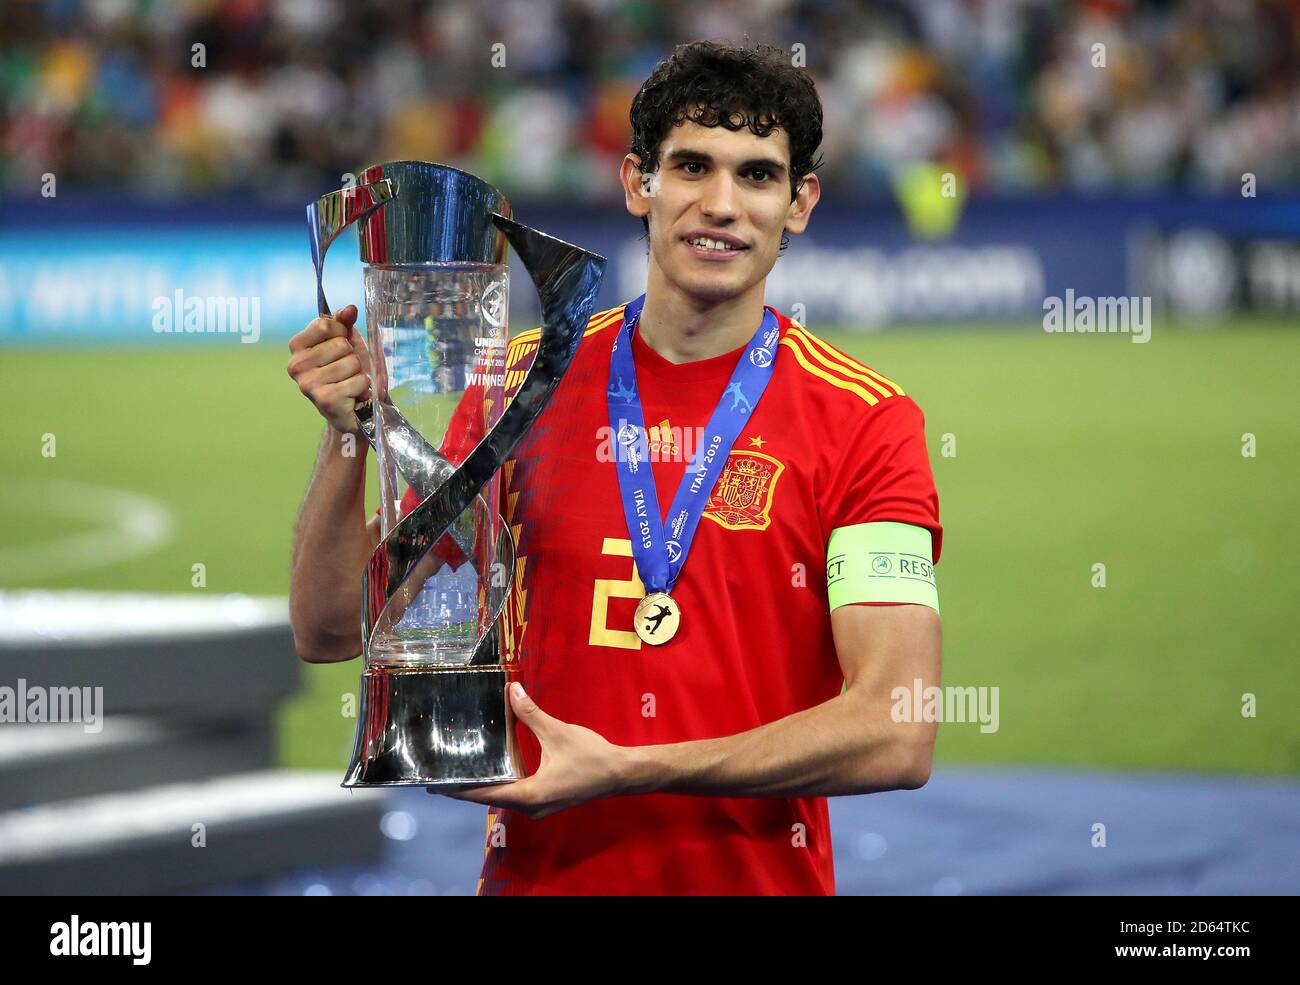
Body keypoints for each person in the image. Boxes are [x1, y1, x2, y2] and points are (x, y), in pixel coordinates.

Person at [287, 40, 943, 896]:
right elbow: (333, 628)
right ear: (639, 182)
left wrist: (630, 767)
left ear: (800, 203)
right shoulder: (517, 382)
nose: (720, 205)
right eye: (692, 166)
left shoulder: (865, 422)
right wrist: (351, 435)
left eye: (756, 176)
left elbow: (897, 728)